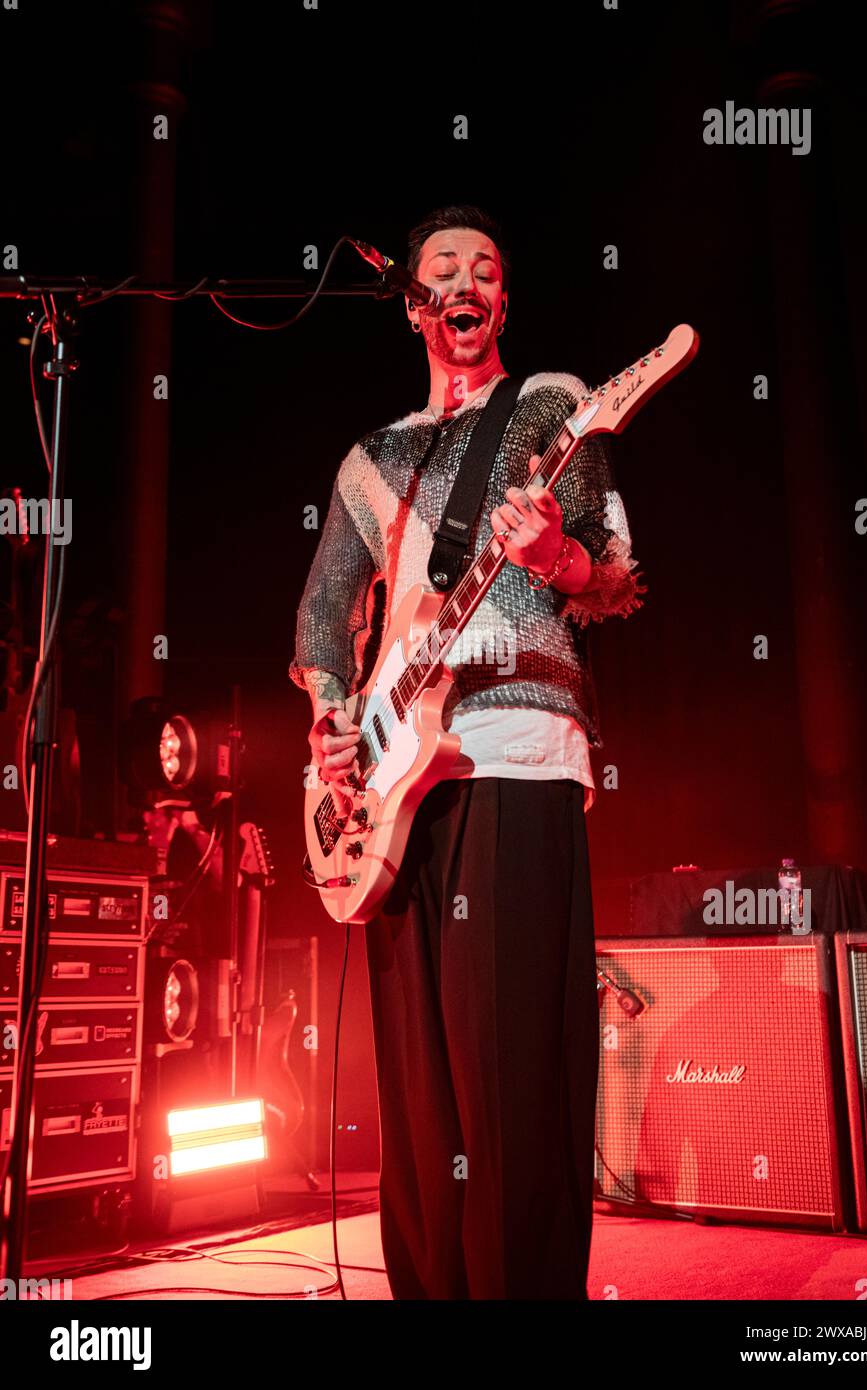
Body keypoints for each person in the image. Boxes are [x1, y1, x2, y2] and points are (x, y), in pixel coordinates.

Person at [290, 205, 643, 1299]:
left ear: (501, 303)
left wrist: (564, 562)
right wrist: (335, 723)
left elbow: (618, 576)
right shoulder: (370, 458)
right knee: (422, 1105)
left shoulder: (550, 408)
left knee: (512, 1088)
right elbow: (318, 625)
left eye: (485, 269)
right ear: (412, 302)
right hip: (393, 795)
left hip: (516, 750)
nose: (465, 282)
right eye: (443, 269)